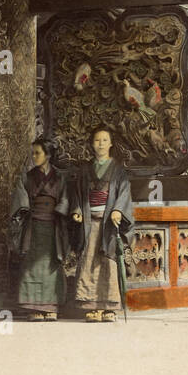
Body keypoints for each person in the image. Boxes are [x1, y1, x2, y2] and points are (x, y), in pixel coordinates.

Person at [69, 127, 134, 322]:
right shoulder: (84, 170)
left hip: (108, 223)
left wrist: (118, 210)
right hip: (90, 223)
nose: (101, 144)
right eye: (97, 140)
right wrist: (77, 211)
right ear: (91, 144)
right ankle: (91, 306)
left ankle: (109, 307)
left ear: (111, 144)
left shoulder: (118, 170)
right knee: (88, 262)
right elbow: (77, 195)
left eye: (105, 140)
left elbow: (124, 192)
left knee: (108, 262)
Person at [10, 139, 71, 320]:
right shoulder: (28, 177)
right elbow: (21, 198)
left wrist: (60, 210)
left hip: (53, 226)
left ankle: (51, 306)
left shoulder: (59, 177)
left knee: (52, 265)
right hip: (33, 226)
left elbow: (65, 199)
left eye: (38, 153)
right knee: (31, 265)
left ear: (49, 155)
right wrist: (23, 210)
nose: (34, 156)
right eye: (33, 153)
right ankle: (33, 307)